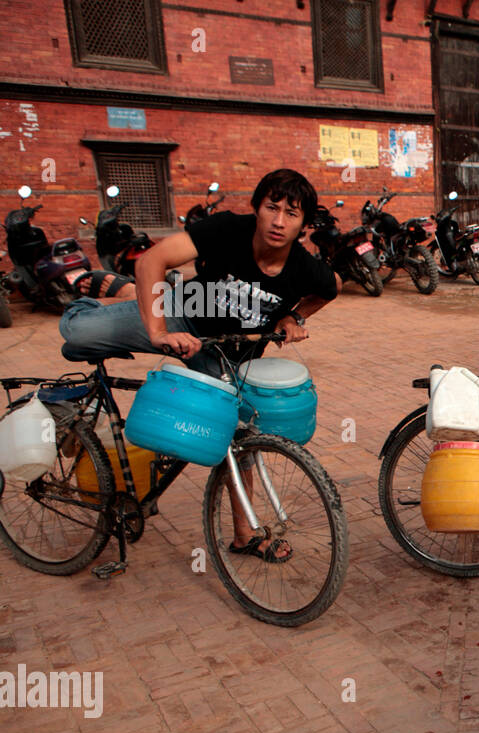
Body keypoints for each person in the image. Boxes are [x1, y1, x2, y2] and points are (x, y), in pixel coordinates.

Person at [60, 168, 341, 562]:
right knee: (78, 336)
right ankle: (111, 299)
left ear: (304, 225)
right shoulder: (227, 229)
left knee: (238, 434)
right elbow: (151, 260)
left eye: (291, 214)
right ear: (257, 208)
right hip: (180, 315)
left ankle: (244, 534)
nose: (279, 221)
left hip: (227, 351)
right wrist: (158, 332)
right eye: (271, 207)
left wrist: (294, 317)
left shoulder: (306, 268)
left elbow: (331, 289)